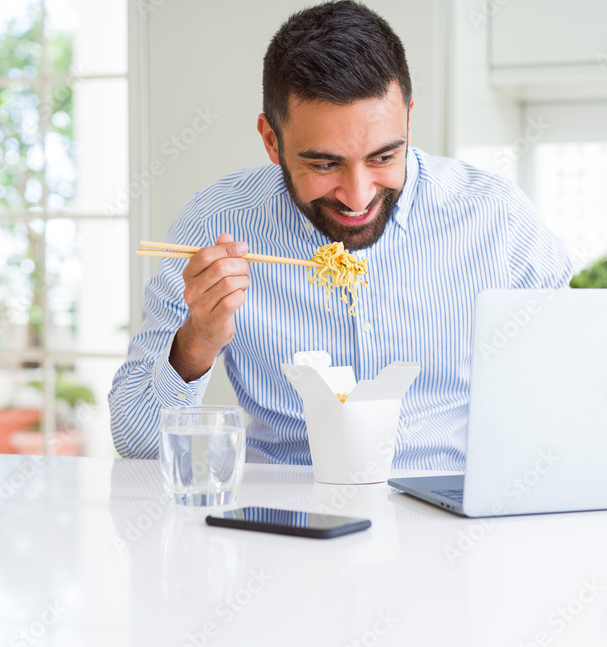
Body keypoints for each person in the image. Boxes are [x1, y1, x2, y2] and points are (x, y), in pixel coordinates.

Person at [109, 0, 571, 469]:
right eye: (324, 164)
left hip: (452, 511)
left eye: (383, 157)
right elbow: (137, 442)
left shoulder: (497, 218)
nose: (357, 196)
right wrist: (198, 341)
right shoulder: (215, 224)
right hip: (287, 517)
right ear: (272, 140)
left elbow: (570, 397)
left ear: (408, 121)